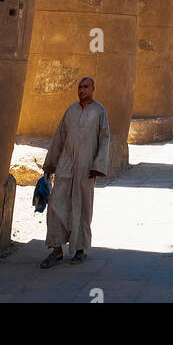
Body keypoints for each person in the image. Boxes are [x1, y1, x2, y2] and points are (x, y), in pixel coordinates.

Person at [39, 76, 109, 269]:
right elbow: (59, 137)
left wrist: (98, 165)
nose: (82, 90)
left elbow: (104, 139)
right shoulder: (71, 111)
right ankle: (56, 249)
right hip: (66, 165)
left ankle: (79, 249)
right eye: (79, 87)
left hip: (86, 168)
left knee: (82, 207)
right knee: (56, 204)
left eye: (86, 87)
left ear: (93, 88)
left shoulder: (99, 111)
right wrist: (50, 165)